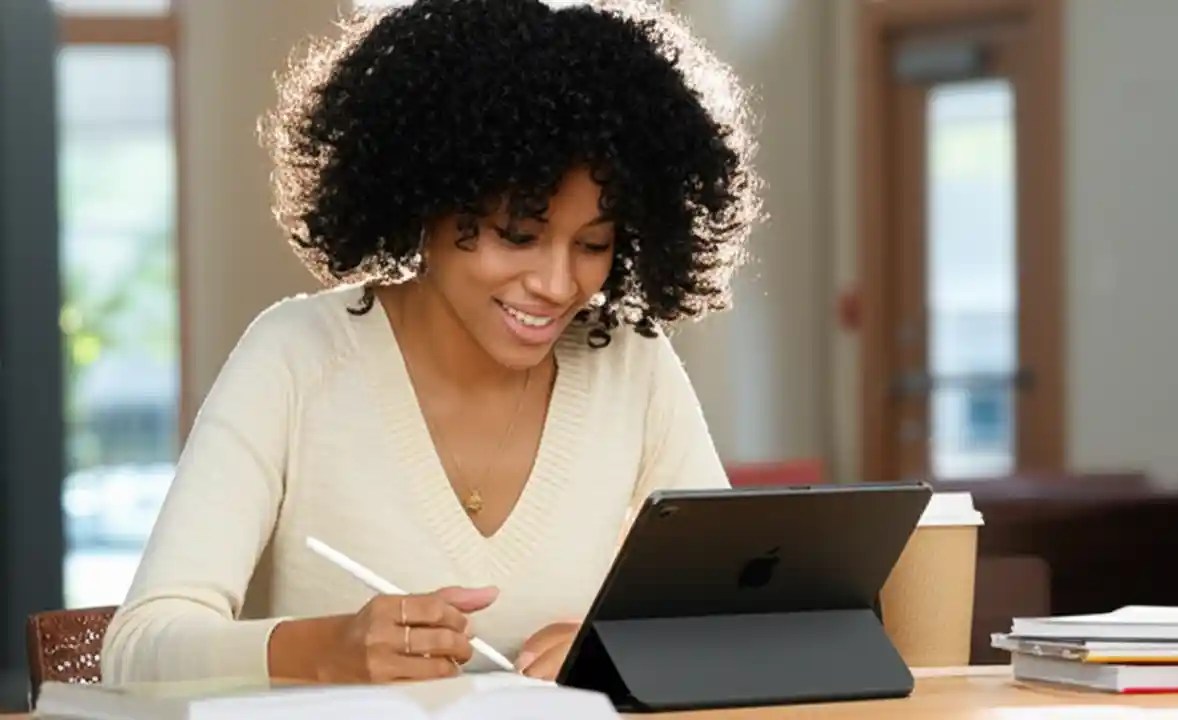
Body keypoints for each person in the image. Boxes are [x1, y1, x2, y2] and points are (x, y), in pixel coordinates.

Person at [101, 0, 760, 687]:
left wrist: (615, 650)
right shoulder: (296, 358)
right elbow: (138, 648)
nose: (559, 283)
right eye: (517, 234)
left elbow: (737, 618)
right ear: (429, 197)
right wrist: (326, 651)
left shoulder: (631, 365)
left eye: (592, 244)